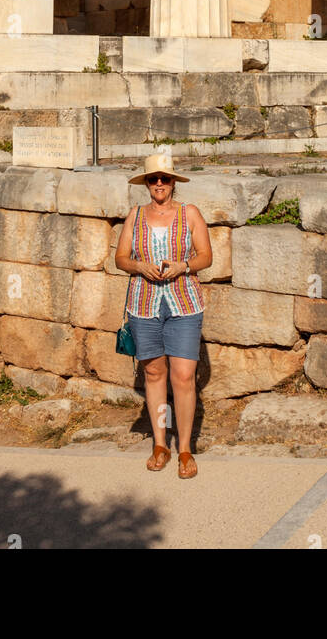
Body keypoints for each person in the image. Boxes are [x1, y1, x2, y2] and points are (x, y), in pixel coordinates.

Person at [115, 150, 212, 479]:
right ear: (146, 183)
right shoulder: (136, 215)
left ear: (173, 182)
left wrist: (182, 266)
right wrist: (138, 265)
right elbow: (120, 258)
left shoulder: (190, 213)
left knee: (183, 376)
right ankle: (160, 444)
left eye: (165, 178)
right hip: (144, 303)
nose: (159, 183)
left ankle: (184, 448)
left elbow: (206, 256)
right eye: (154, 179)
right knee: (154, 373)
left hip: (183, 302)